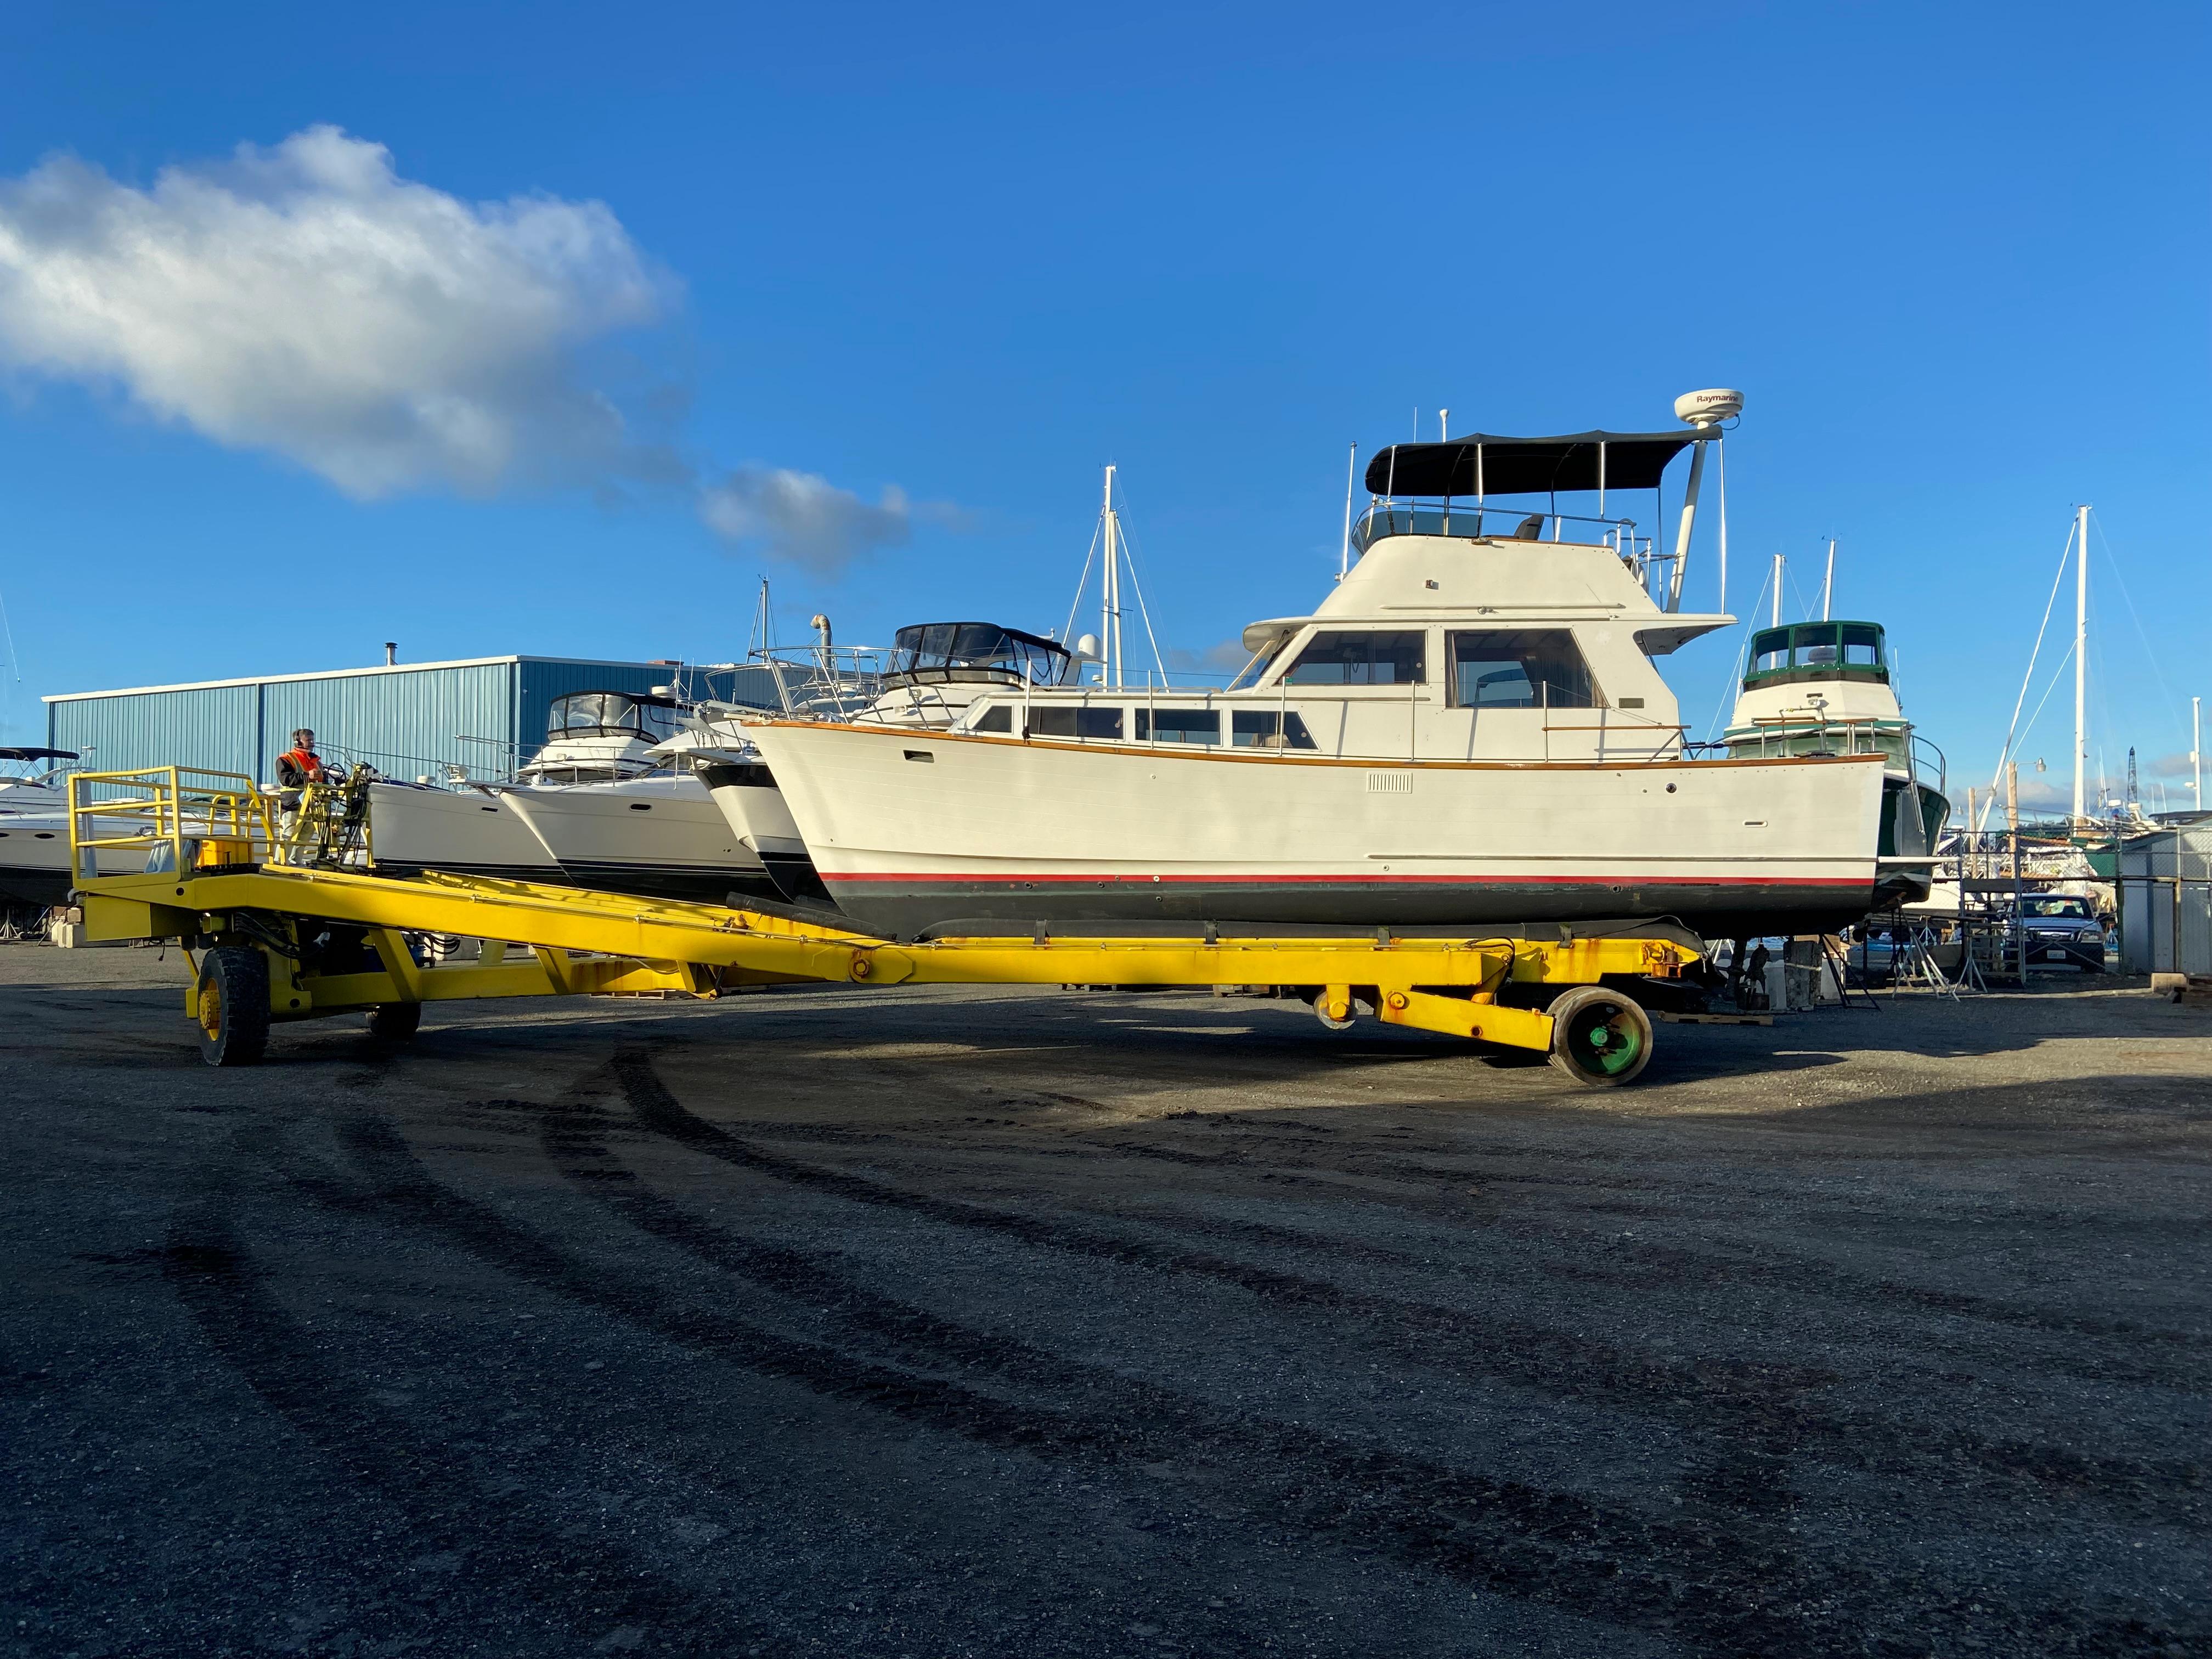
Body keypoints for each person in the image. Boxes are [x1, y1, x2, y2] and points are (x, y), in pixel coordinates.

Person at [275, 729, 341, 788]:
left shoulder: (317, 762)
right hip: (295, 799)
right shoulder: (286, 759)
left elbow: (322, 782)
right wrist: (308, 776)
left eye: (313, 740)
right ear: (298, 743)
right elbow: (286, 780)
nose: (312, 743)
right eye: (308, 740)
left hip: (316, 799)